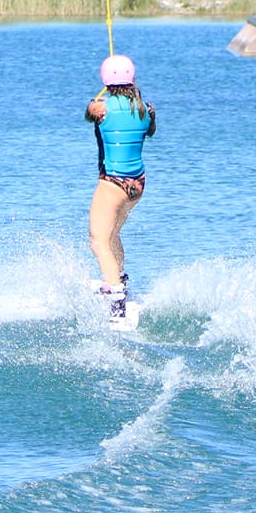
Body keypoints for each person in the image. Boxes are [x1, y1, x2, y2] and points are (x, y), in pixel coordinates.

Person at [85, 52, 155, 323]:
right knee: (112, 233)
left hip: (113, 183)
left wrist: (96, 100)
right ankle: (117, 282)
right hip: (137, 184)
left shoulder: (100, 108)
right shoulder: (145, 109)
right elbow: (150, 131)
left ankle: (117, 305)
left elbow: (89, 112)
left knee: (98, 241)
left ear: (105, 80)